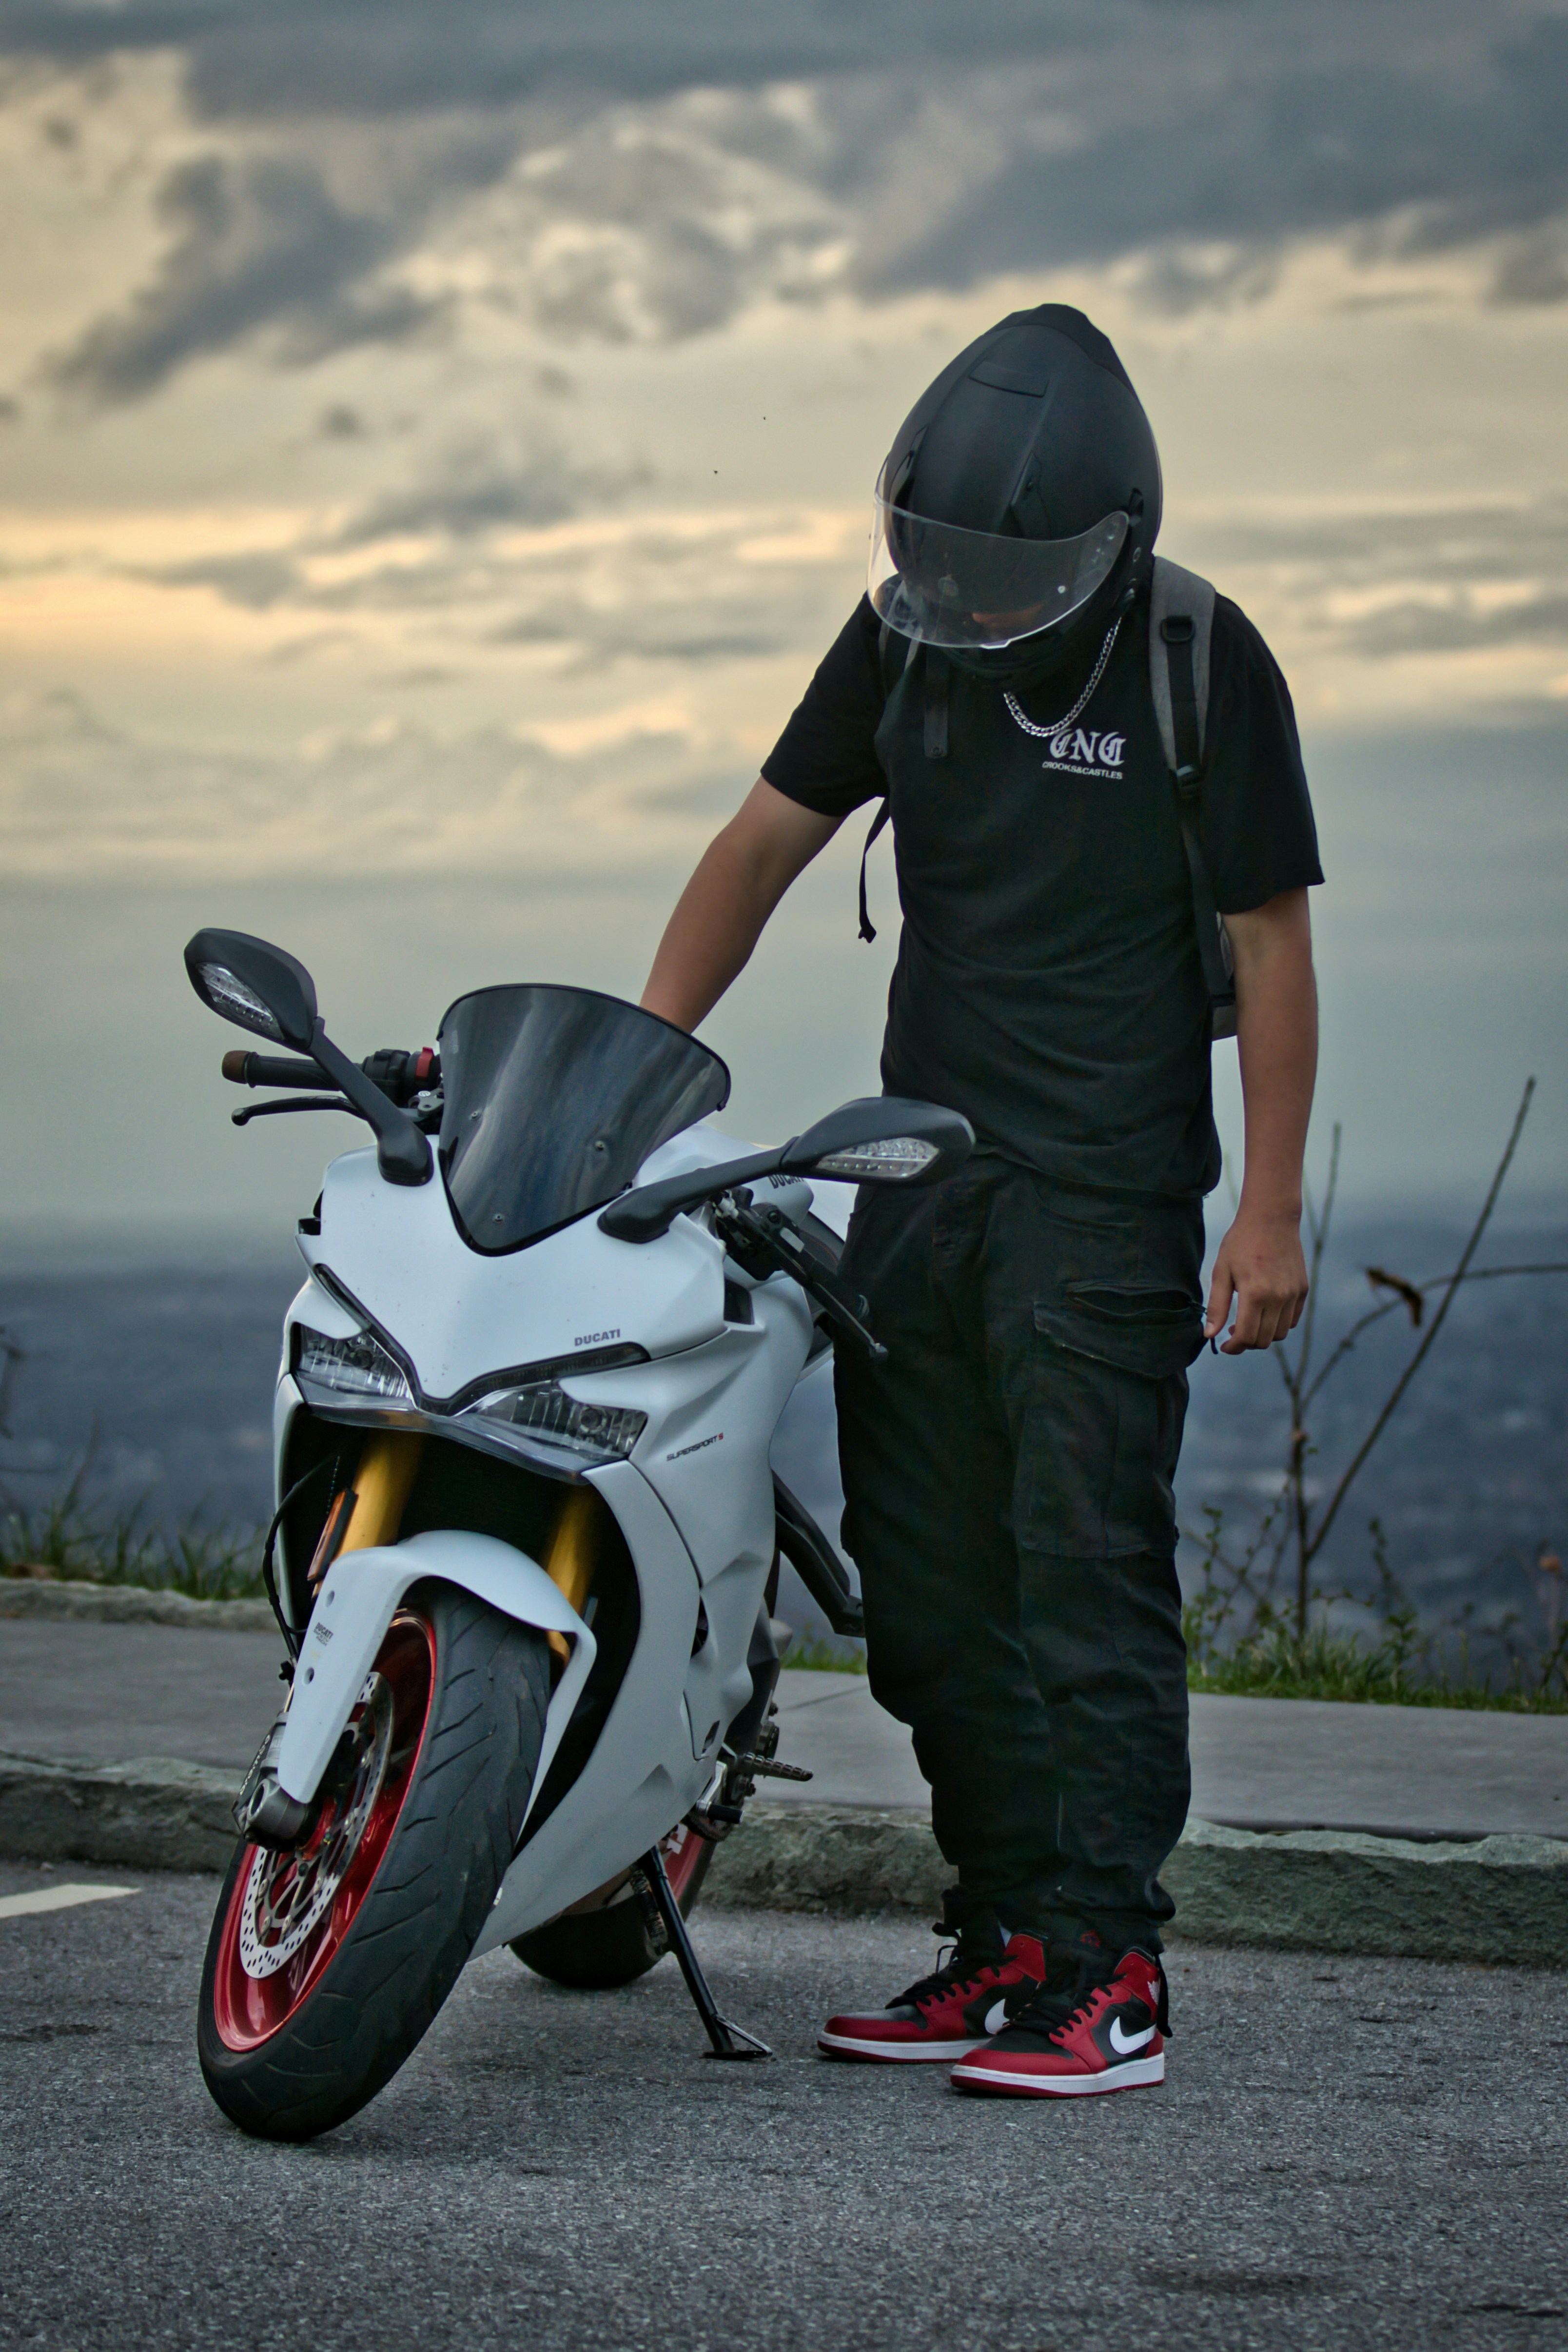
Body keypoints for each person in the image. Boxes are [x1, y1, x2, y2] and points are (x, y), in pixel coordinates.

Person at [639, 304, 1321, 2099]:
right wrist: (636, 1072)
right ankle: (1009, 1933)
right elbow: (760, 845)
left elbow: (1271, 947)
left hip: (1101, 1194)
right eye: (943, 561)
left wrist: (1269, 1213)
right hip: (914, 1181)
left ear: (1113, 542)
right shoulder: (902, 643)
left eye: (1007, 572)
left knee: (1081, 1579)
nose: (974, 601)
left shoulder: (1199, 663)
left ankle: (1114, 1973)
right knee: (932, 1593)